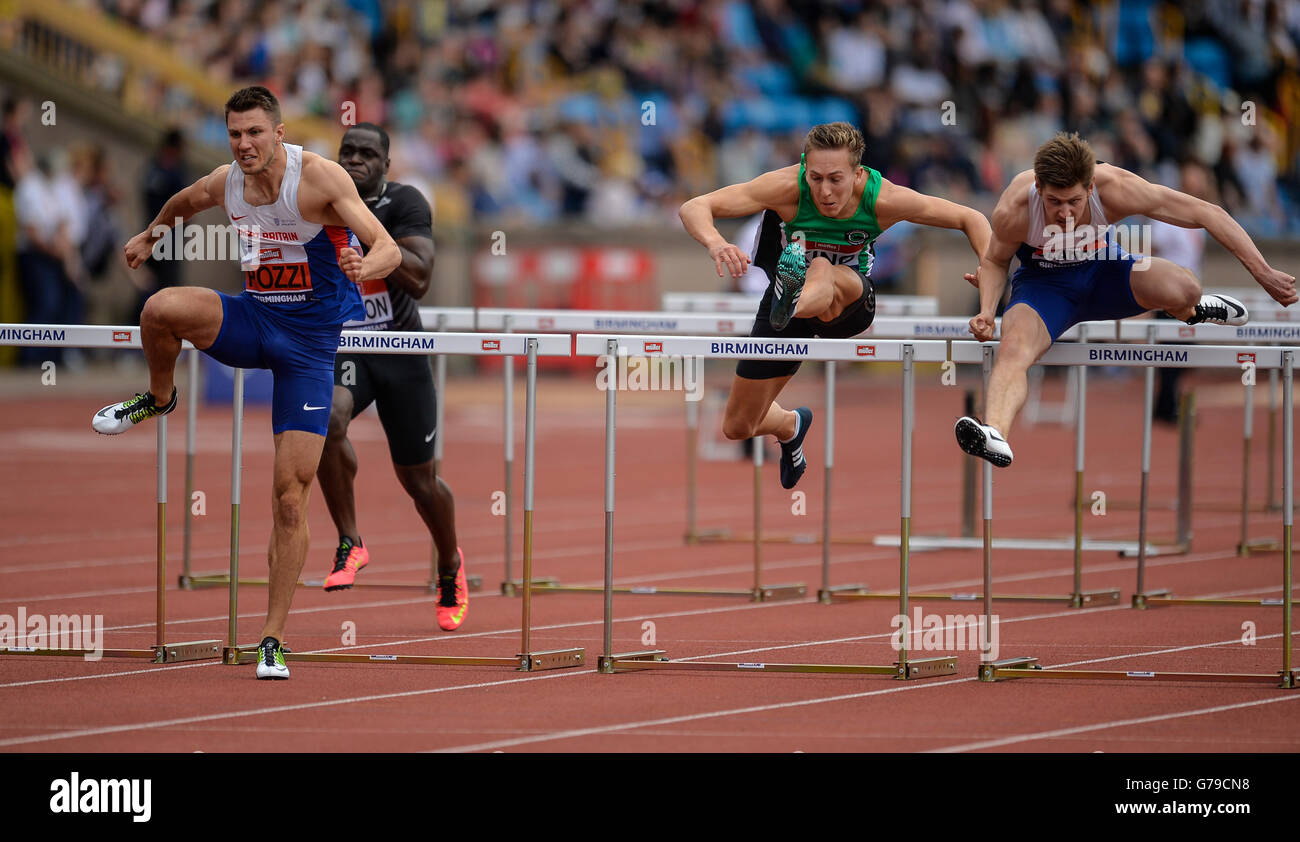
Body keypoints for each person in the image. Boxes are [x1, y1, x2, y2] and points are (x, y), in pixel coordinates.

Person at [94, 86, 401, 679]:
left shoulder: (319, 178)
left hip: (309, 348)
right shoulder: (228, 180)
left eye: (255, 133)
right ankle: (160, 398)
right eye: (235, 134)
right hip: (255, 319)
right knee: (159, 310)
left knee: (290, 498)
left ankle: (271, 639)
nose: (244, 145)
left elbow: (384, 245)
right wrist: (150, 234)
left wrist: (367, 267)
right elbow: (182, 201)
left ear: (279, 132)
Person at [955, 132, 1298, 467]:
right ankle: (994, 431)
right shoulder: (1014, 209)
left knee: (1184, 287)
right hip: (1046, 286)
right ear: (1038, 189)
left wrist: (1262, 272)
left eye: (1074, 201)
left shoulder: (1116, 188)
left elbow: (1207, 213)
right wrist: (987, 310)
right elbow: (997, 260)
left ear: (1090, 188)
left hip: (1106, 270)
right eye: (1054, 202)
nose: (1064, 213)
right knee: (1013, 348)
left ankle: (1194, 309)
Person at [679, 121, 991, 488]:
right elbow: (695, 206)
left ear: (858, 174)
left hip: (849, 302)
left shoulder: (883, 199)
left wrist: (988, 268)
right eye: (815, 178)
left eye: (836, 179)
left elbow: (970, 217)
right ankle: (791, 425)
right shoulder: (785, 187)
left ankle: (791, 300)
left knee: (823, 268)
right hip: (787, 307)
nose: (824, 191)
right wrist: (717, 243)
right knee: (738, 425)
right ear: (803, 169)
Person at [315, 122, 468, 632]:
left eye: (367, 154)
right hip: (349, 348)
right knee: (324, 418)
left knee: (419, 482)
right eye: (347, 152)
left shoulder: (405, 202)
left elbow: (421, 278)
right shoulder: (319, 201)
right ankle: (350, 540)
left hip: (400, 350)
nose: (355, 160)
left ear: (385, 164)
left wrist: (370, 240)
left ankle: (449, 564)